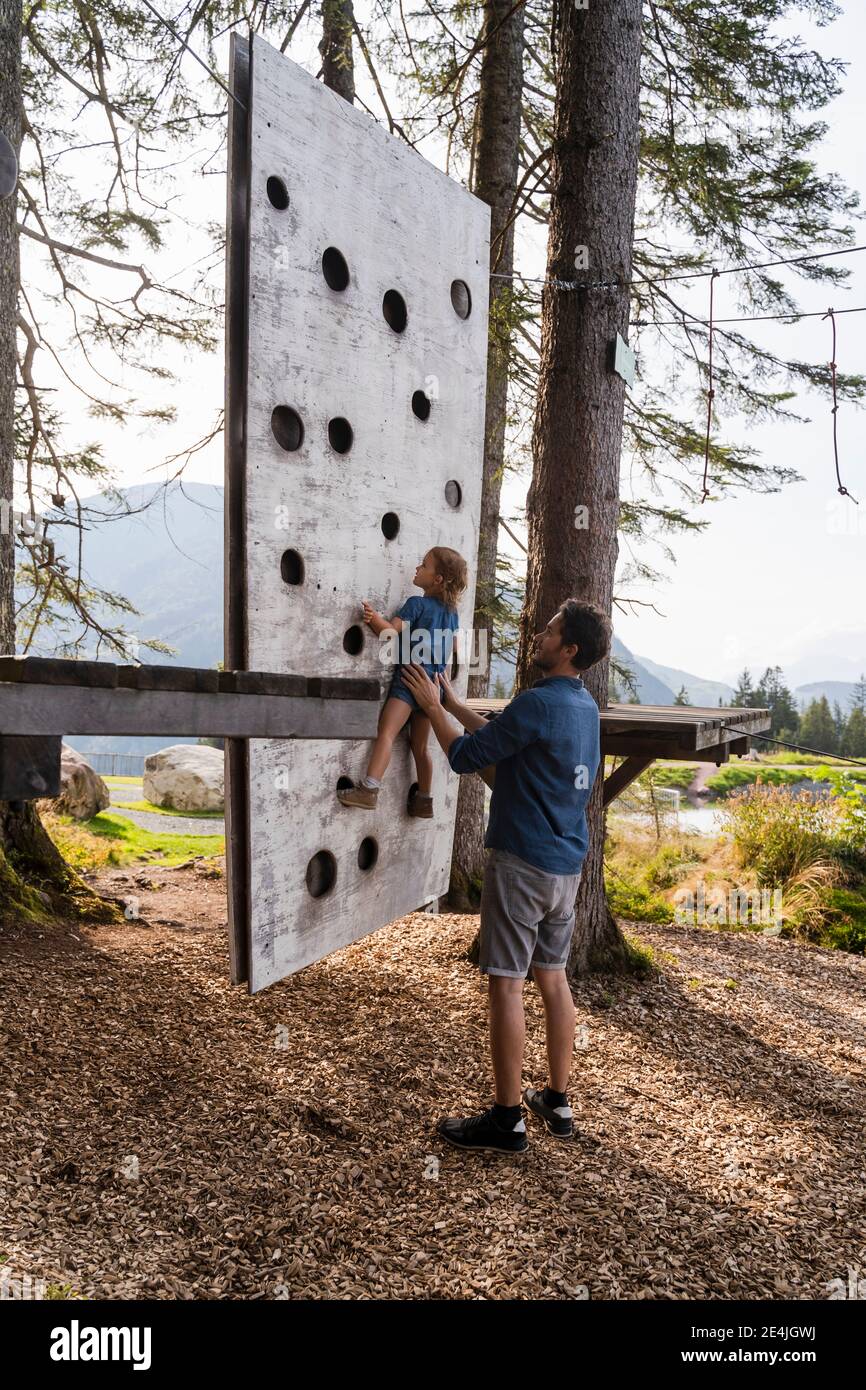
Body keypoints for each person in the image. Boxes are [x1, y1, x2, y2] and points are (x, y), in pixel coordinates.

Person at [400, 598, 612, 1154]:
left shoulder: (537, 701)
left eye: (549, 631)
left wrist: (430, 705)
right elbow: (505, 742)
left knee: (506, 982)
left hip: (522, 862)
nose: (537, 635)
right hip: (567, 866)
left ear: (568, 649)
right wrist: (452, 701)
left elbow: (468, 757)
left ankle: (506, 1119)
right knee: (553, 977)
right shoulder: (583, 707)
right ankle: (557, 1102)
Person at [337, 546, 467, 818]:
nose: (417, 569)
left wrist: (373, 619)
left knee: (386, 732)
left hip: (409, 681)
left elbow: (389, 633)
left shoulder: (416, 605)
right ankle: (424, 800)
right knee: (419, 747)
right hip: (433, 687)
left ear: (437, 579)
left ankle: (369, 790)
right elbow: (453, 647)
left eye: (424, 566)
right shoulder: (452, 614)